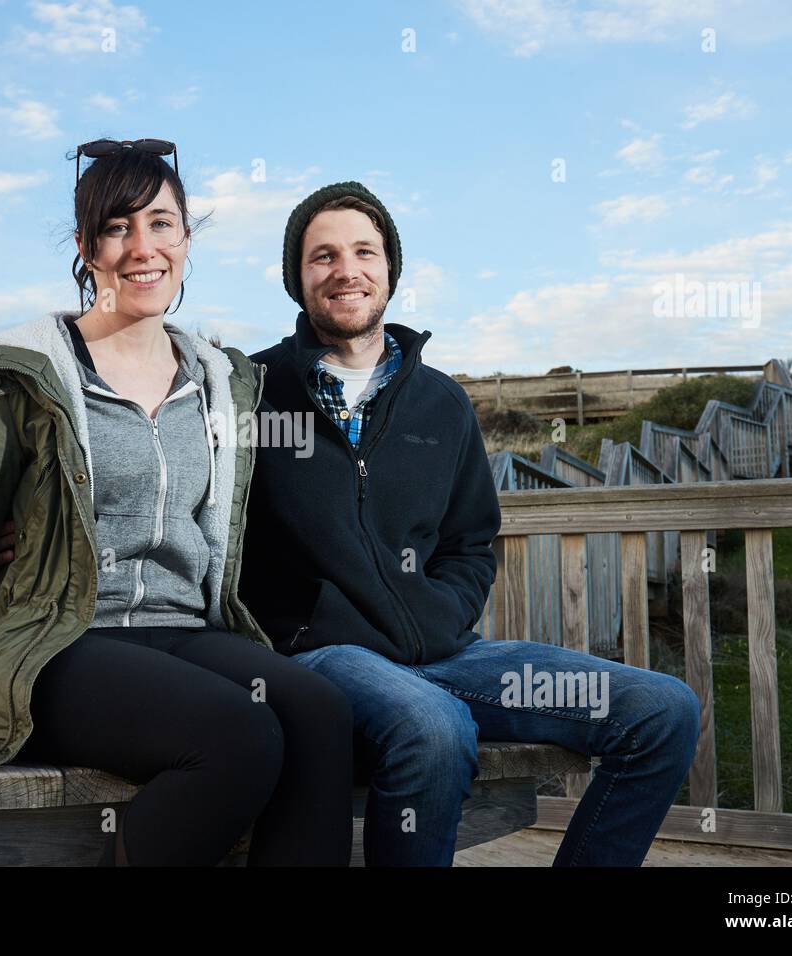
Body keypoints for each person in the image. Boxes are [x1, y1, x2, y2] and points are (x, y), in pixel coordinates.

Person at [0, 141, 354, 867]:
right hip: (61, 645)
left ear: (187, 237)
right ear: (88, 246)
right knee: (240, 735)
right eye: (118, 227)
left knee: (320, 713)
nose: (142, 248)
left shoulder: (220, 382)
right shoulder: (16, 375)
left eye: (161, 223)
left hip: (188, 634)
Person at [238, 181, 703, 867]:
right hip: (323, 656)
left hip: (448, 654)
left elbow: (470, 544)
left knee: (665, 710)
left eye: (365, 251)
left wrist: (440, 615)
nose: (346, 270)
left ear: (390, 268)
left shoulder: (441, 402)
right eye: (323, 256)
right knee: (433, 728)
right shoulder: (251, 389)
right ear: (296, 278)